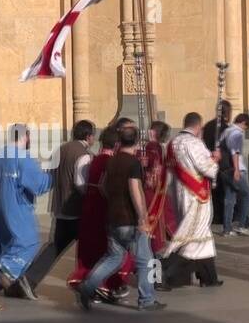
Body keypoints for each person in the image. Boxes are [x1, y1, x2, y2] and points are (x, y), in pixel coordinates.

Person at [76, 125, 163, 312]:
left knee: (114, 257)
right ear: (137, 142)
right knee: (145, 259)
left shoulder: (111, 161)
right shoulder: (133, 163)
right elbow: (135, 190)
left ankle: (88, 287)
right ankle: (146, 300)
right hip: (130, 220)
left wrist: (114, 202)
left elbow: (102, 186)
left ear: (119, 141)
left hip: (112, 218)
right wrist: (142, 217)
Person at [23, 120, 95, 293]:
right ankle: (86, 282)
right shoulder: (83, 155)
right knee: (88, 247)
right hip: (76, 209)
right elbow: (80, 183)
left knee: (55, 246)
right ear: (88, 136)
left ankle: (29, 278)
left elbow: (51, 174)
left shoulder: (60, 150)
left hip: (60, 207)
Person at [0, 124, 53, 300]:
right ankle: (4, 270)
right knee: (29, 242)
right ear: (26, 136)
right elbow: (39, 184)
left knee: (5, 243)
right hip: (18, 206)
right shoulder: (23, 157)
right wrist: (52, 176)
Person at [67, 127, 133, 300]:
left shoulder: (92, 159)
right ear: (117, 144)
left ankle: (89, 279)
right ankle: (104, 284)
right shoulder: (110, 162)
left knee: (91, 246)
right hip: (104, 208)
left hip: (89, 206)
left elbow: (82, 185)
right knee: (108, 250)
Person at [159, 113, 223, 288]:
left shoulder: (172, 143)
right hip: (196, 196)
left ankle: (209, 277)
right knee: (191, 237)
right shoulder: (194, 143)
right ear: (198, 127)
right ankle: (166, 273)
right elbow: (207, 168)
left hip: (179, 193)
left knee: (202, 235)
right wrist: (215, 159)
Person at [218, 113, 249, 236]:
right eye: (246, 127)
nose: (245, 130)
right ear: (244, 123)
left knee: (229, 199)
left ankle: (227, 229)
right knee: (247, 195)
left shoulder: (226, 131)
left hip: (223, 169)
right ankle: (242, 225)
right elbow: (235, 152)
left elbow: (219, 148)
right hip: (235, 169)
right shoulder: (237, 133)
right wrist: (236, 170)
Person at [143, 120, 178, 253]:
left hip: (154, 188)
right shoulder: (157, 146)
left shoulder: (153, 147)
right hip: (158, 187)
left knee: (160, 218)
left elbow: (154, 168)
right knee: (163, 217)